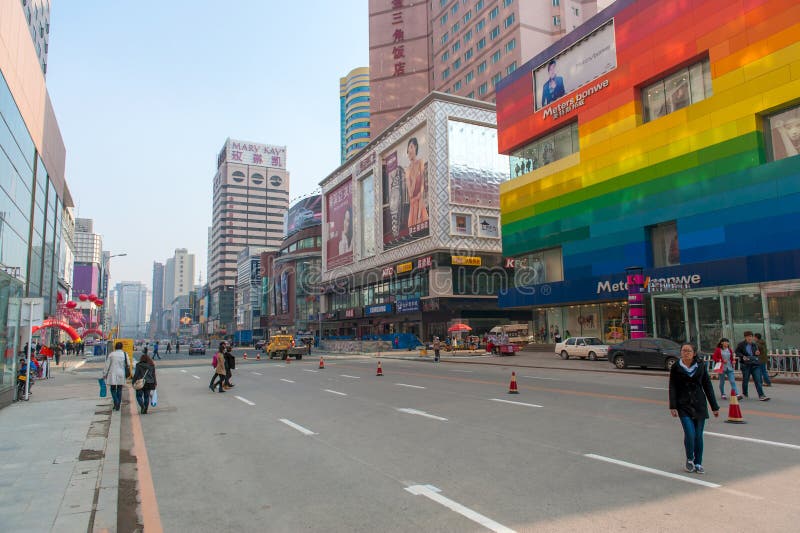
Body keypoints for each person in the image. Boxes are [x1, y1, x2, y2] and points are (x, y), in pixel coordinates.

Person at [669, 343, 719, 474]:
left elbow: (707, 386)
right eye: (683, 350)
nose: (686, 353)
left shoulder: (700, 366)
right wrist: (673, 406)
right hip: (683, 405)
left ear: (694, 353)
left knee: (698, 435)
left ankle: (698, 463)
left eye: (688, 351)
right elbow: (672, 386)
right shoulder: (676, 367)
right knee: (690, 434)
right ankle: (690, 459)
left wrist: (714, 406)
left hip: (699, 405)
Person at [735, 331, 769, 401]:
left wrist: (757, 353)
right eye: (748, 336)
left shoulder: (754, 345)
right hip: (745, 364)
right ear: (745, 337)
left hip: (754, 364)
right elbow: (737, 352)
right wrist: (742, 356)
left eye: (751, 336)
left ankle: (761, 395)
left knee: (758, 380)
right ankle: (745, 393)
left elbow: (756, 353)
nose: (750, 338)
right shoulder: (741, 344)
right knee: (745, 379)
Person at [405, 137, 428, 230]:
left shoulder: (421, 162)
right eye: (408, 148)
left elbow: (422, 184)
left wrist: (419, 214)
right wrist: (413, 177)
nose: (409, 150)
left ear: (415, 148)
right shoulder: (407, 170)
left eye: (411, 147)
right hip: (413, 206)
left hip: (420, 205)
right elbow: (410, 193)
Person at [103, 342, 129, 411]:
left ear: (115, 347)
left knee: (113, 389)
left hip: (113, 373)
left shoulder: (111, 354)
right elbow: (128, 364)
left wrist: (104, 374)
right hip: (121, 373)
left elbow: (107, 365)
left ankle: (116, 402)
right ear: (122, 347)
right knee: (119, 389)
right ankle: (117, 405)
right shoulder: (125, 354)